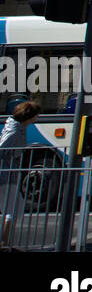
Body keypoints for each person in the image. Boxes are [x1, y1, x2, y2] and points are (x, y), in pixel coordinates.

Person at [0, 102, 40, 250]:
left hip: (10, 173)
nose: (38, 117)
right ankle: (4, 243)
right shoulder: (15, 130)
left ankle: (5, 243)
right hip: (5, 174)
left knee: (14, 209)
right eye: (36, 114)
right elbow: (2, 147)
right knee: (13, 209)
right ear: (29, 116)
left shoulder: (19, 128)